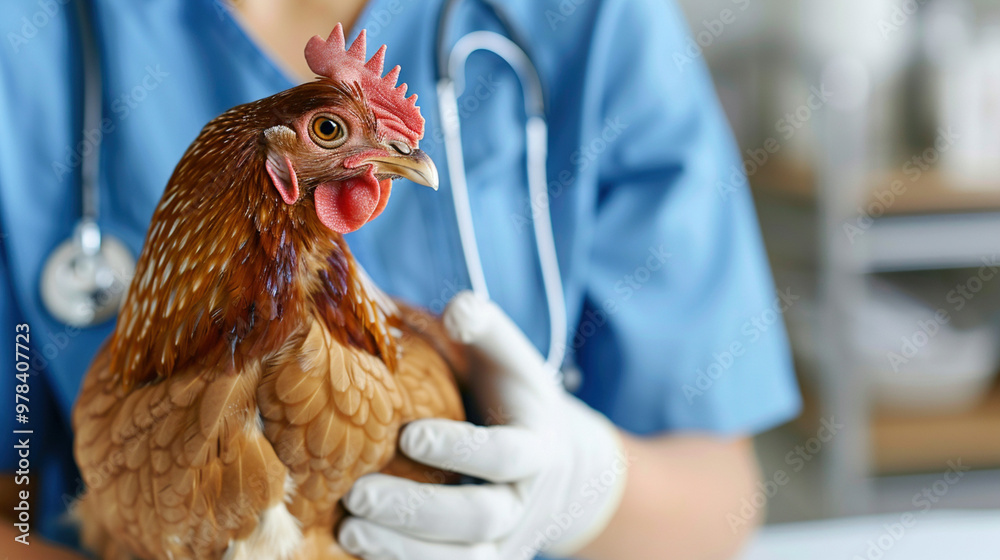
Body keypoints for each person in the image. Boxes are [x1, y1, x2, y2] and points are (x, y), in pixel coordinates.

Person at [0, 0, 801, 558]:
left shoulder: (591, 18)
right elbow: (15, 507)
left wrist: (587, 490)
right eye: (328, 130)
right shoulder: (24, 37)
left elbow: (717, 509)